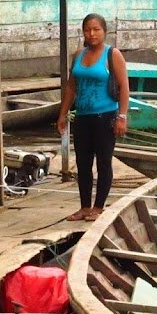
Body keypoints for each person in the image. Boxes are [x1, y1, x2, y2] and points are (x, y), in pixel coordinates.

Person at [57, 14, 130, 222]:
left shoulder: (112, 54)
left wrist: (122, 116)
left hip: (105, 116)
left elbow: (124, 86)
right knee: (82, 163)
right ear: (83, 32)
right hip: (83, 117)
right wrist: (63, 114)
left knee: (103, 162)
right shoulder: (79, 54)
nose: (92, 33)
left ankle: (98, 207)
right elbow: (72, 87)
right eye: (88, 29)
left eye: (96, 29)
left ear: (104, 31)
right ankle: (84, 207)